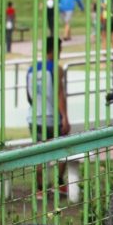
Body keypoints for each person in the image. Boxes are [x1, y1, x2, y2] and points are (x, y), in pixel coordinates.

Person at [27, 36, 70, 196]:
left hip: (34, 117)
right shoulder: (56, 69)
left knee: (39, 152)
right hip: (52, 117)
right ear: (56, 49)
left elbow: (29, 96)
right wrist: (65, 117)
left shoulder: (31, 69)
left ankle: (39, 189)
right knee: (63, 149)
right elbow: (59, 93)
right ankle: (59, 183)